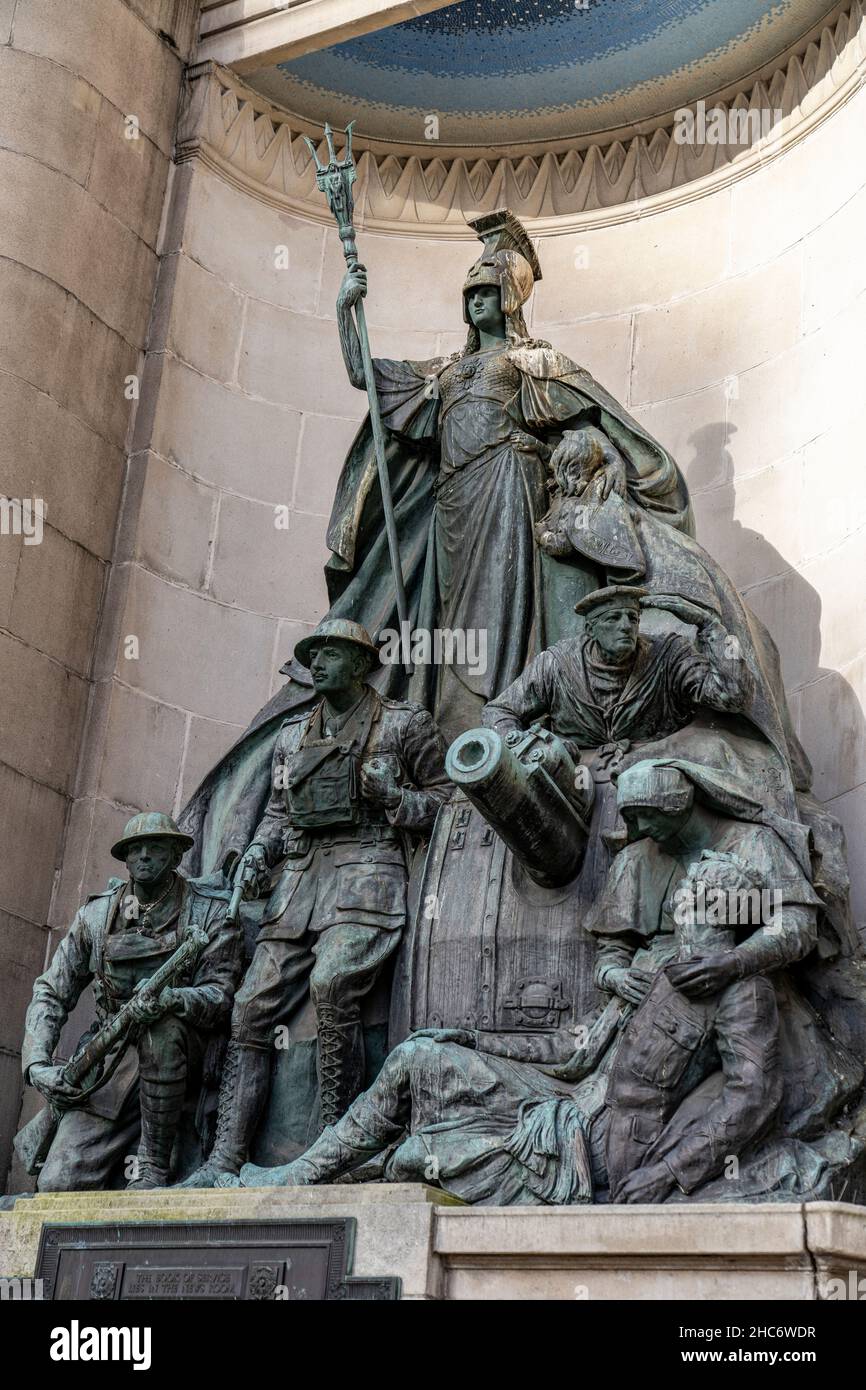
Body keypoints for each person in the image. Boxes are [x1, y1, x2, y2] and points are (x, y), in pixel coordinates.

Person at [180, 619, 450, 1187]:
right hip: (300, 881)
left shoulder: (404, 726)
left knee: (332, 986)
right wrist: (257, 852)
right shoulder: (291, 735)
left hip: (368, 875)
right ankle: (224, 1158)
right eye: (315, 654)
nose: (319, 663)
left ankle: (335, 1143)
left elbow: (449, 800)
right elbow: (278, 815)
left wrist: (398, 798)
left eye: (332, 653)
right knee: (251, 1006)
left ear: (360, 663)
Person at [20, 814, 241, 1191]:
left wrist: (171, 999)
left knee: (162, 1026)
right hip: (108, 1061)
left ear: (175, 856)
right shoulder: (95, 916)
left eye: (155, 849)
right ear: (124, 860)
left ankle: (153, 1165)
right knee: (58, 1184)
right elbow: (51, 992)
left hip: (182, 1059)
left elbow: (221, 997)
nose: (143, 857)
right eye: (134, 850)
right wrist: (37, 1065)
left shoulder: (211, 913)